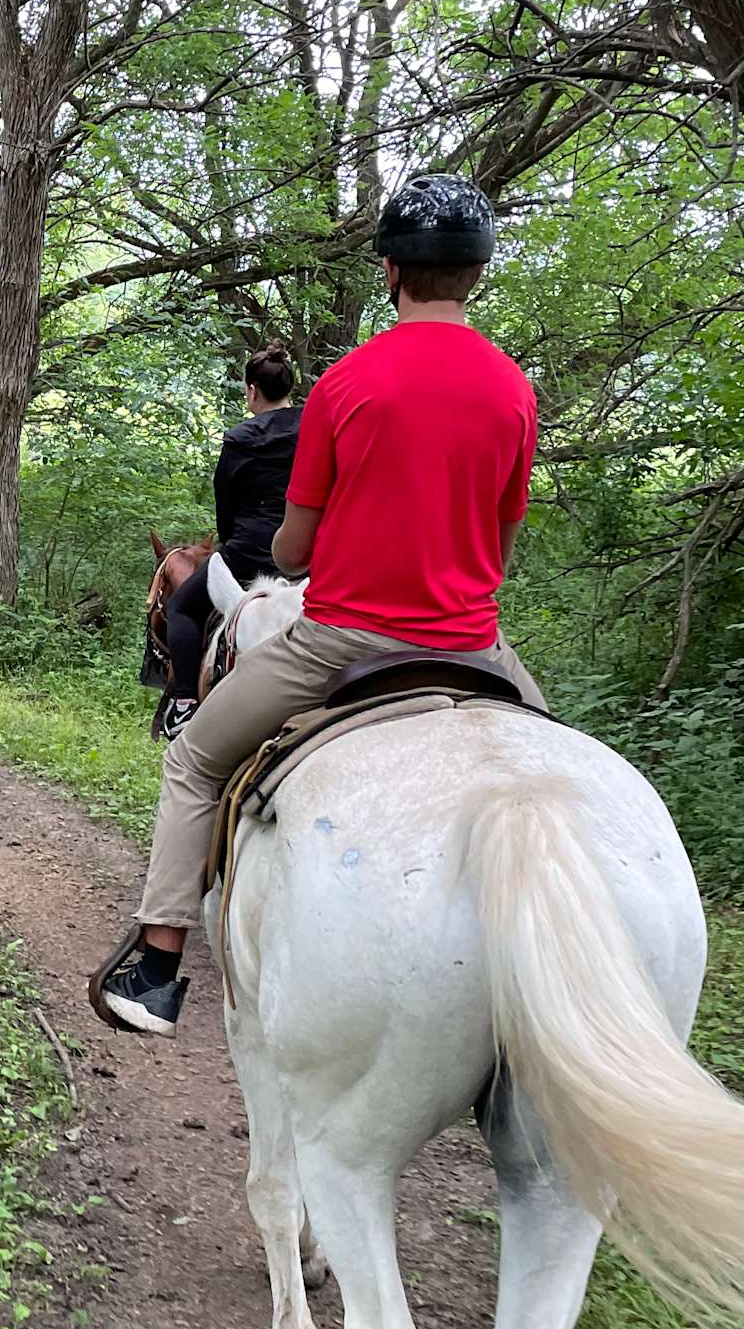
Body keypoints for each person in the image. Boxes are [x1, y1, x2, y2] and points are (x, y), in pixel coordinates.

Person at [91, 172, 545, 1037]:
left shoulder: (347, 385)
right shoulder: (512, 390)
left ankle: (155, 964)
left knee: (191, 758)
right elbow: (501, 551)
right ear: (476, 274)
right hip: (478, 650)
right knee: (559, 776)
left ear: (389, 272)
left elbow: (293, 552)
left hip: (342, 642)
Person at [160, 341, 301, 740]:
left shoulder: (240, 439)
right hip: (307, 555)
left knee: (183, 607)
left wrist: (230, 546)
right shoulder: (314, 429)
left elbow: (226, 508)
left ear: (252, 391)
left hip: (248, 550)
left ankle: (185, 702)